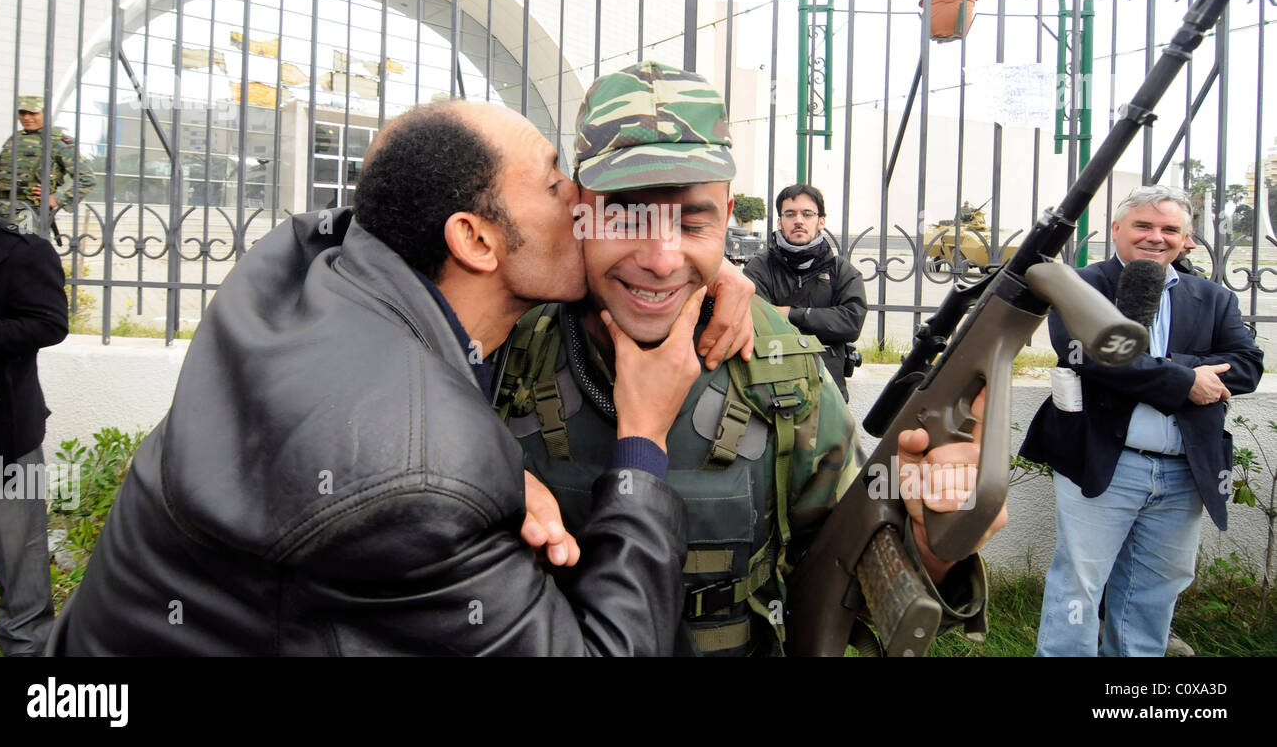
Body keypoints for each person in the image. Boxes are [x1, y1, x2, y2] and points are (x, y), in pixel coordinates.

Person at [52, 99, 758, 656]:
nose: (581, 195)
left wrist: (689, 259)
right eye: (552, 182)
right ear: (475, 239)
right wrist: (641, 444)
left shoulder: (316, 260)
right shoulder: (415, 474)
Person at [498, 62, 998, 656]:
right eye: (626, 214)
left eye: (693, 220)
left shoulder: (782, 373)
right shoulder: (507, 348)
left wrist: (934, 543)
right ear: (577, 208)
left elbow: (844, 581)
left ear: (728, 216)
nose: (661, 258)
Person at [1021, 185, 1263, 657]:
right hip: (1104, 461)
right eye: (1144, 226)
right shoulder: (1082, 286)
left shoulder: (1213, 298)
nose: (1157, 237)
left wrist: (1166, 365)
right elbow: (1092, 356)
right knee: (1080, 585)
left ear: (1187, 238)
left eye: (1170, 229)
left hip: (1182, 471)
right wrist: (1186, 380)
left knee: (1154, 591)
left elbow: (1248, 365)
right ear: (1117, 230)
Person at [0, 199, 67, 655]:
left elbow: (49, 324)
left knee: (20, 559)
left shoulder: (21, 251)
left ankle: (27, 650)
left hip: (1, 434)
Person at [743, 183, 867, 399]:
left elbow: (851, 322)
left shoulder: (842, 271)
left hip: (829, 391)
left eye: (807, 214)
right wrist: (821, 322)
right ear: (780, 222)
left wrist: (789, 313)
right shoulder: (758, 269)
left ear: (821, 221)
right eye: (790, 214)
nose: (798, 220)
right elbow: (756, 322)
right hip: (770, 388)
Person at [0, 96, 95, 232]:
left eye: (33, 113)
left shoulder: (58, 142)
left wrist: (58, 198)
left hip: (29, 213)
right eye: (22, 113)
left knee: (24, 253)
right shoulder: (15, 139)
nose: (26, 117)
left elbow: (87, 179)